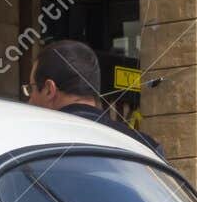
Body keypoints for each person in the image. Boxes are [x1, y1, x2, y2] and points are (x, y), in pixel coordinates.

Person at [26, 39, 164, 157]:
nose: (29, 100)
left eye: (31, 89)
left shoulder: (29, 142)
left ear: (49, 90)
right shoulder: (148, 148)